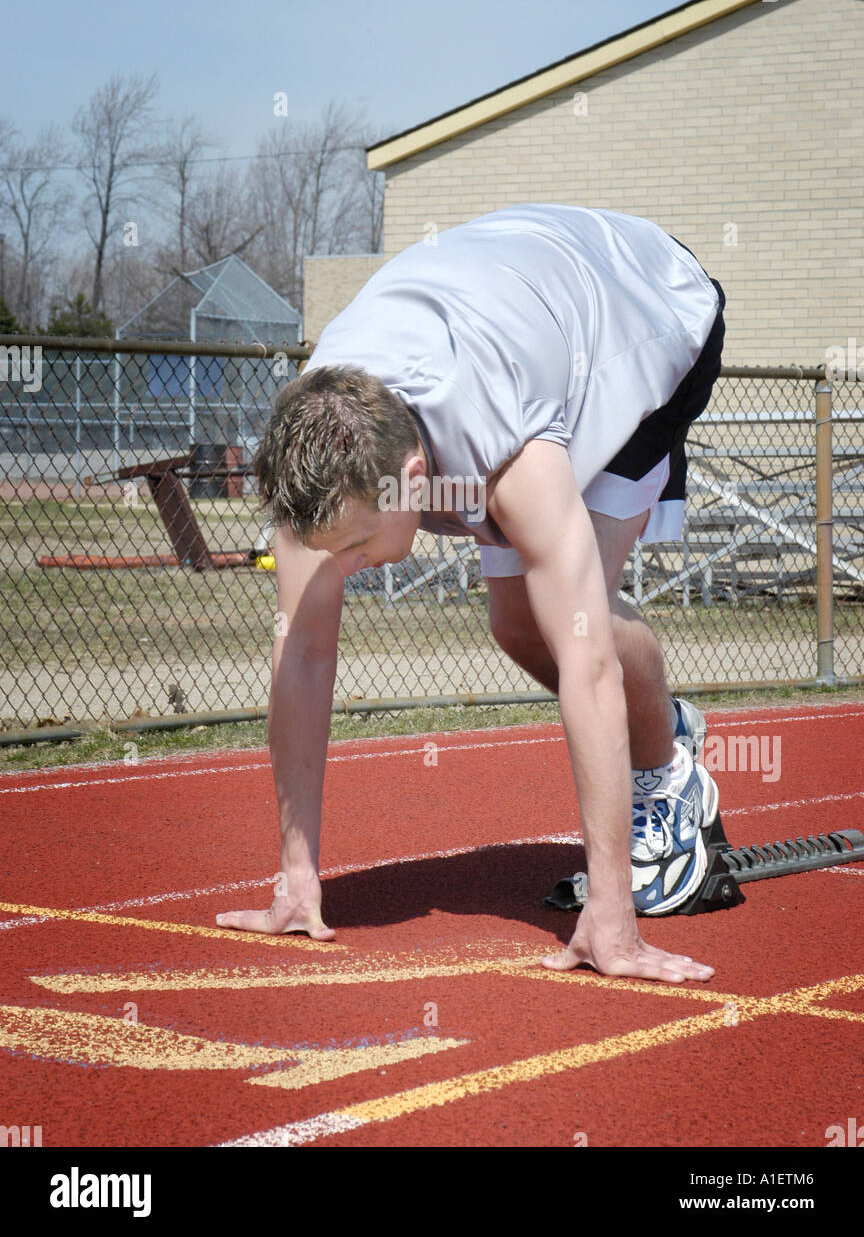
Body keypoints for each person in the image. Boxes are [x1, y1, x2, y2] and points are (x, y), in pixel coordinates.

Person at [216, 203, 726, 984]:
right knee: (515, 624)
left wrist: (612, 916)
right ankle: (652, 726)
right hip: (512, 296)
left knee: (556, 622)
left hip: (645, 306)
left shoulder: (513, 450)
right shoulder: (316, 462)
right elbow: (305, 656)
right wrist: (296, 875)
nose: (342, 566)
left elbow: (587, 662)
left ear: (415, 479)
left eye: (356, 545)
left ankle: (665, 775)